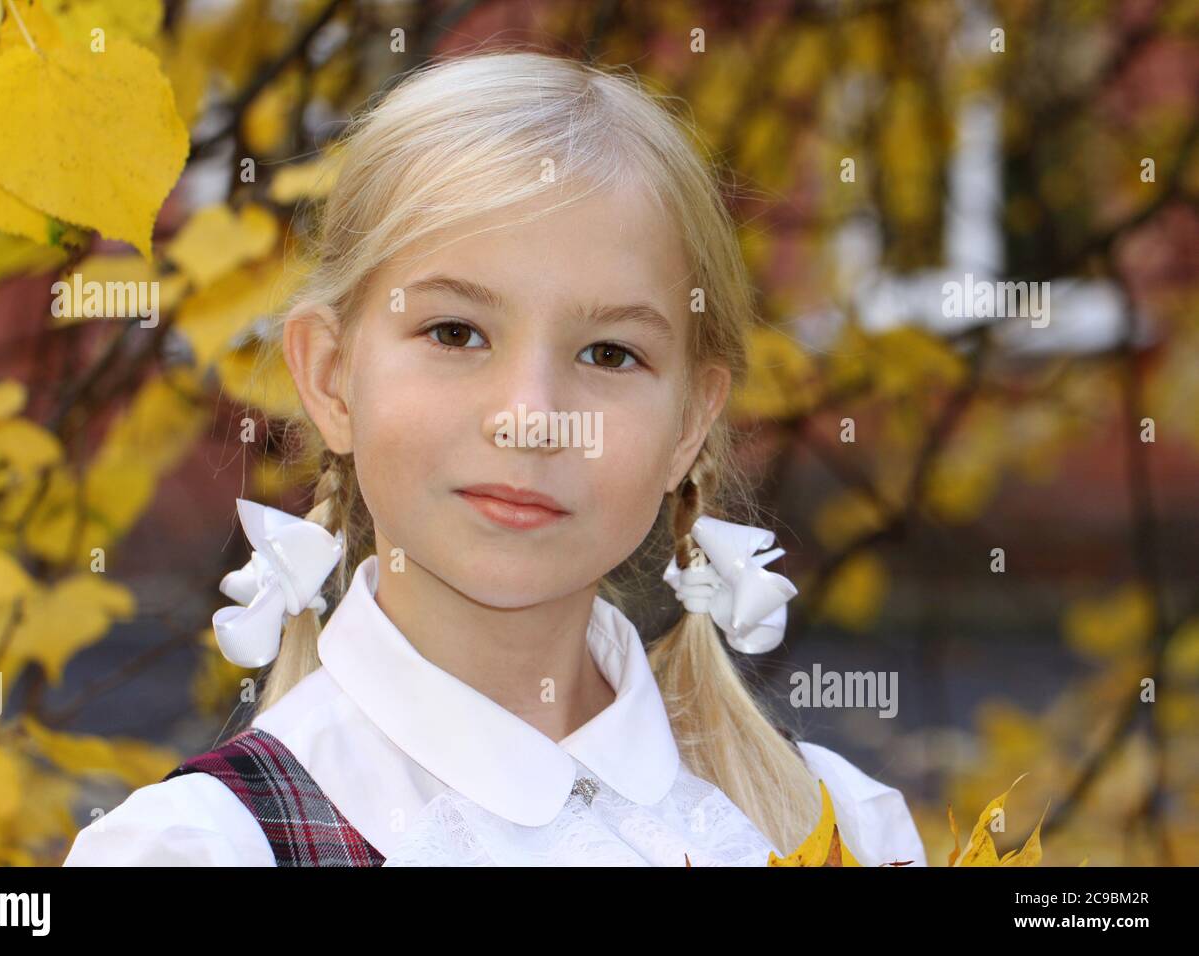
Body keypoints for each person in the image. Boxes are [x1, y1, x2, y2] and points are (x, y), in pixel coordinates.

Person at [65, 48, 927, 867]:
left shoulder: (838, 828)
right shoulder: (206, 850)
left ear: (689, 427)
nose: (532, 419)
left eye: (609, 354)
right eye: (455, 332)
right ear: (331, 379)